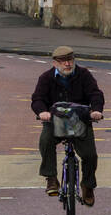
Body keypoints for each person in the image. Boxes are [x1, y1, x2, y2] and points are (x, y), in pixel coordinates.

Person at [31, 45, 105, 205]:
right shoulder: (46, 78)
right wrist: (42, 112)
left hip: (79, 121)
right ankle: (51, 178)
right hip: (55, 121)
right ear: (55, 63)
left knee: (90, 155)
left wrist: (97, 110)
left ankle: (88, 186)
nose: (67, 64)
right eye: (63, 61)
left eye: (70, 60)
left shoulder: (84, 75)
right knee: (45, 141)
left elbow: (95, 94)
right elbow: (37, 99)